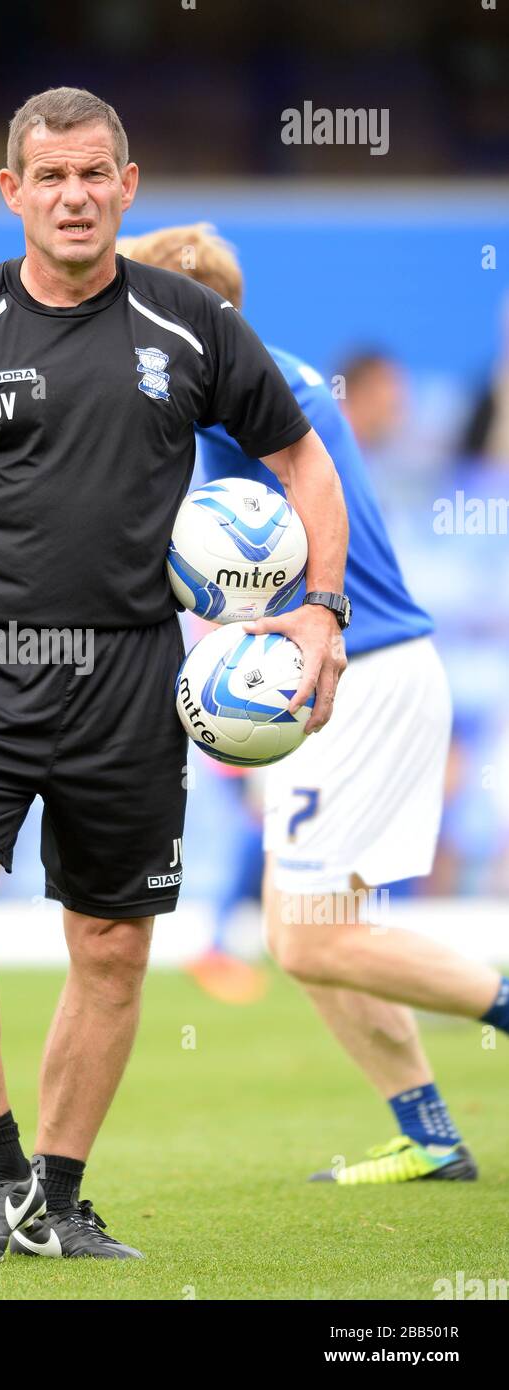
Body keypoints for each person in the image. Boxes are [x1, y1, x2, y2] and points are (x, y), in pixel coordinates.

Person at [0, 89, 348, 1263]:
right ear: (12, 191)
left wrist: (319, 610)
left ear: (128, 184)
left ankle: (59, 1198)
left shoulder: (196, 328)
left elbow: (303, 462)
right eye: (49, 177)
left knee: (111, 946)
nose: (73, 196)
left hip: (130, 677)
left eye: (94, 175)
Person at [121, 223, 509, 1184]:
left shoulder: (232, 384)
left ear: (186, 311)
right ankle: (427, 1134)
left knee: (310, 934)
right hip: (344, 668)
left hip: (353, 672)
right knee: (313, 933)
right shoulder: (257, 380)